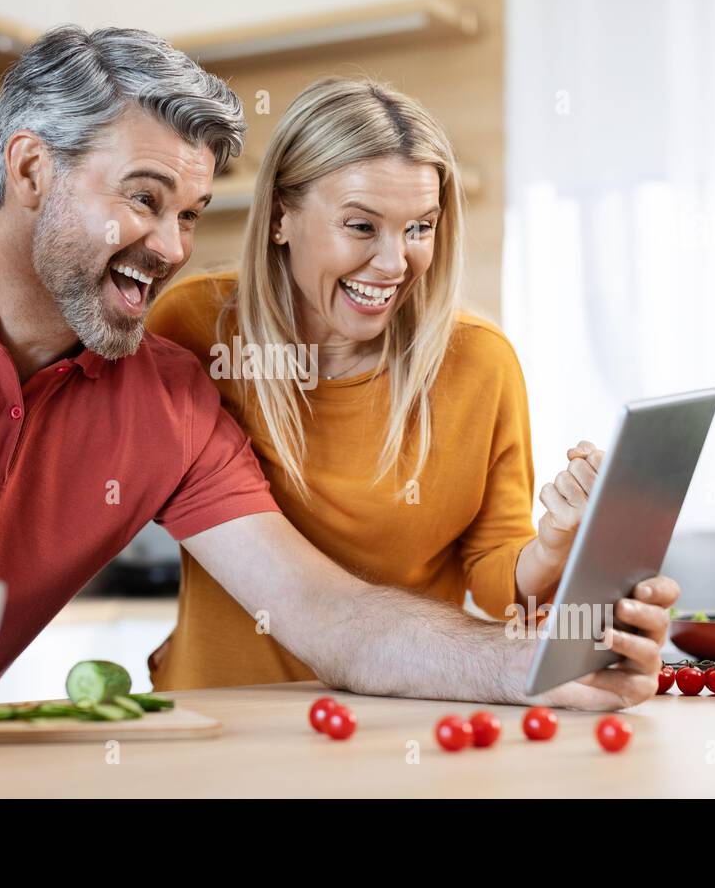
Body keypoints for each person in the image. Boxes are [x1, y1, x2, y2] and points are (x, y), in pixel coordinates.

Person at [0, 27, 674, 725]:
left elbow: (326, 613)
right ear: (30, 173)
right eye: (142, 198)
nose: (170, 245)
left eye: (189, 212)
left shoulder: (165, 391)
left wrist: (533, 663)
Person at [148, 77, 616, 691]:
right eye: (362, 227)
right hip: (222, 716)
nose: (395, 263)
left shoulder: (480, 362)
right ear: (282, 219)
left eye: (420, 228)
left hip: (395, 716)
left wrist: (555, 545)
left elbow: (496, 580)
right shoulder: (193, 328)